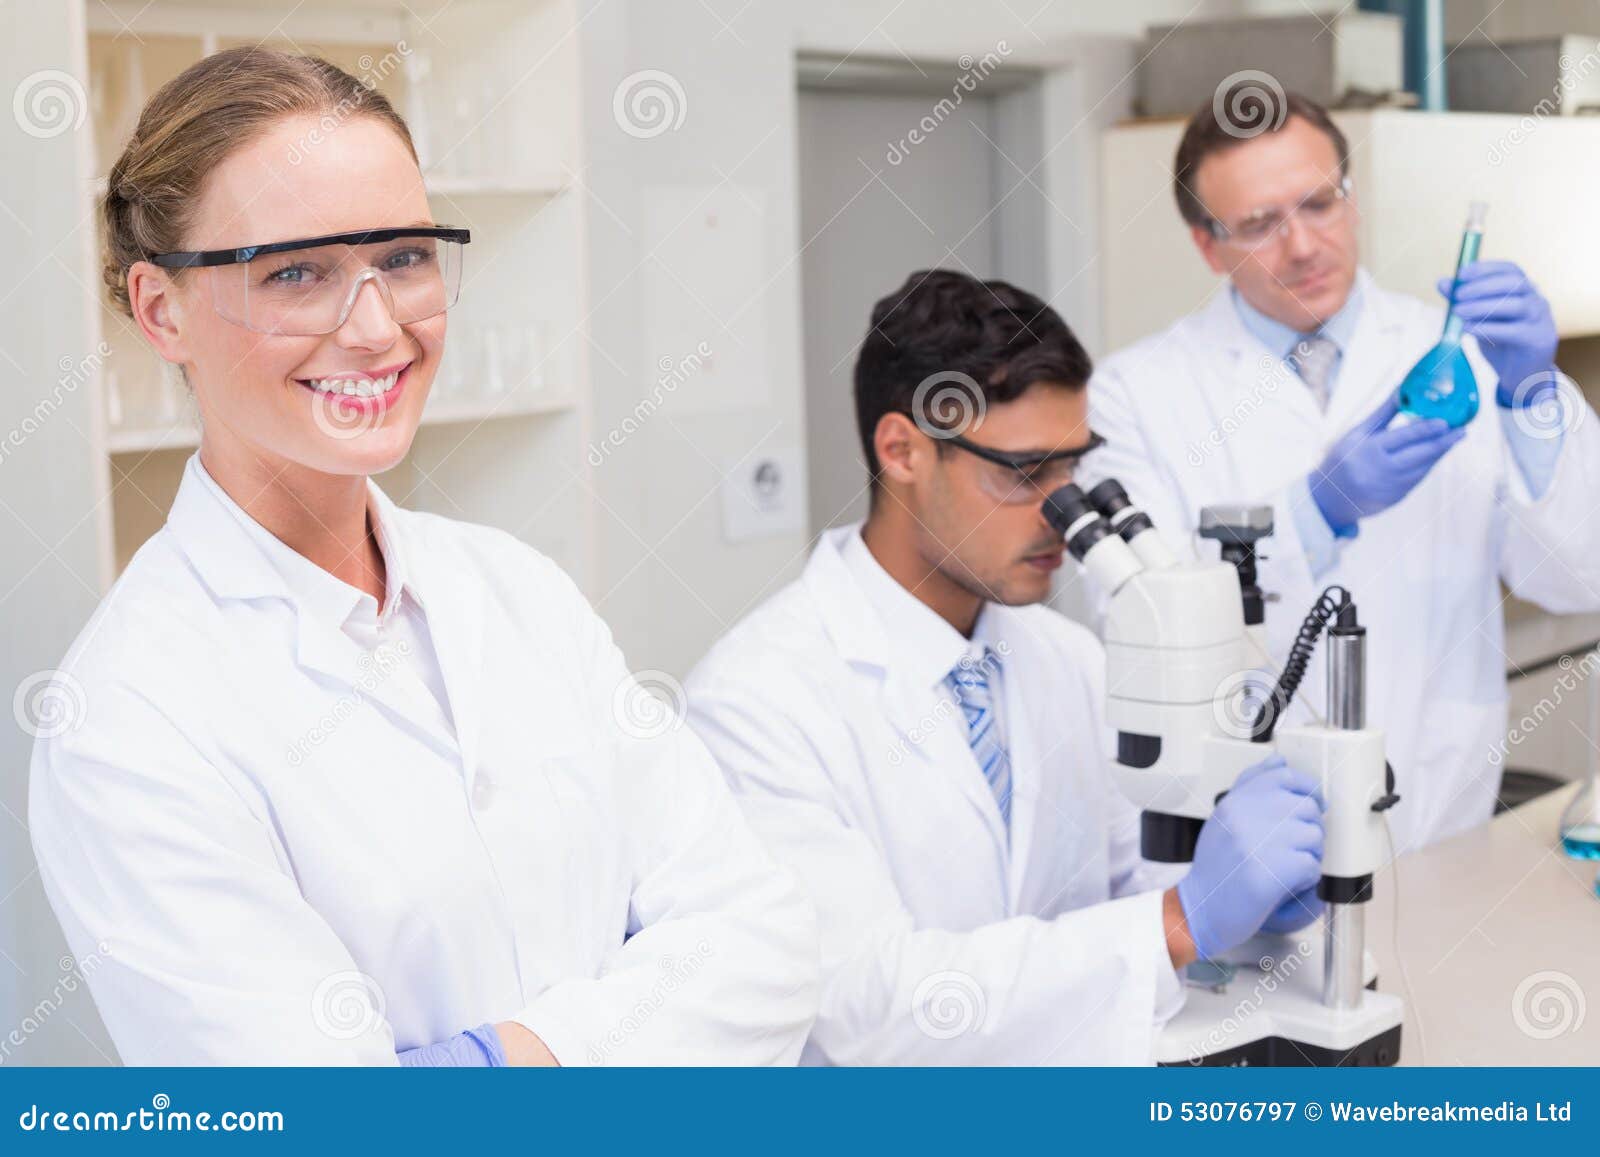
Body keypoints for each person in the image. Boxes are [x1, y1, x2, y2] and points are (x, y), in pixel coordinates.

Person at [28, 47, 817, 1066]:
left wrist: (485, 1062)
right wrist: (632, 1020)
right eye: (296, 272)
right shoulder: (129, 717)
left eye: (403, 257)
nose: (377, 327)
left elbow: (765, 947)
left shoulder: (516, 588)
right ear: (160, 309)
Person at [686, 270, 1325, 1065]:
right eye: (1024, 474)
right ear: (902, 451)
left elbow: (1133, 885)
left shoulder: (1068, 656)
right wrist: (1182, 919)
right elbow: (869, 1005)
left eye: (1073, 469)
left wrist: (1247, 909)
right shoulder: (753, 702)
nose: (1063, 511)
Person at [1083, 87, 1600, 851]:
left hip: (1438, 831)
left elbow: (1580, 577)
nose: (1301, 245)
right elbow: (1141, 624)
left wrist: (1528, 391)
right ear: (1208, 245)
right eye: (1260, 223)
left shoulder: (1462, 357)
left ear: (1351, 200)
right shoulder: (1134, 393)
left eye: (1319, 203)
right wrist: (1317, 509)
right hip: (1241, 852)